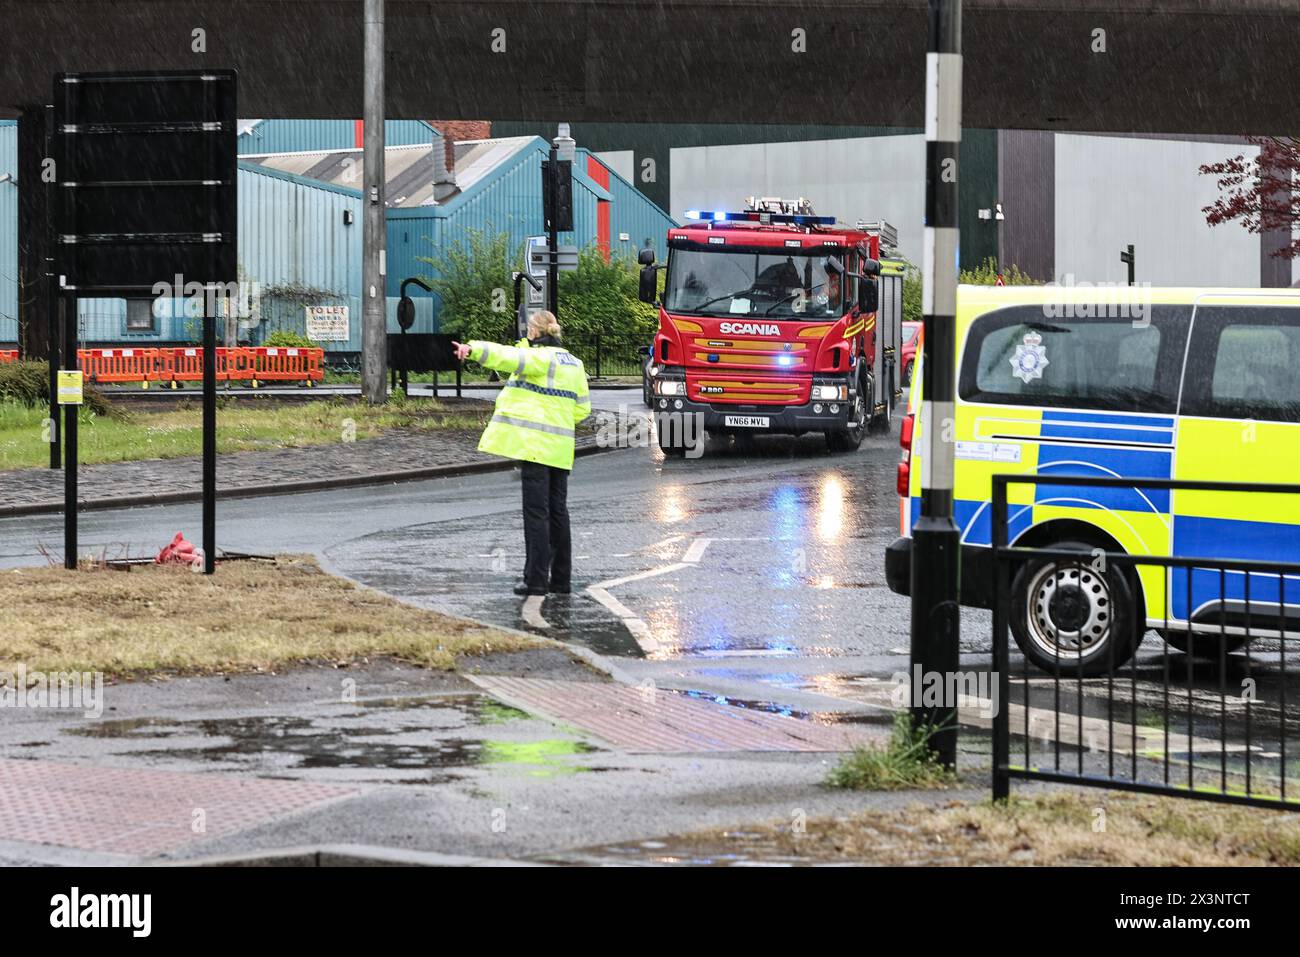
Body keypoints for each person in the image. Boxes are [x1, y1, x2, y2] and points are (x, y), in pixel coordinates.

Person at [453, 311, 591, 597]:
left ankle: (536, 580)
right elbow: (582, 409)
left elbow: (507, 357)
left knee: (536, 515)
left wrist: (473, 349)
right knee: (558, 514)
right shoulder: (575, 364)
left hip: (535, 447)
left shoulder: (540, 359)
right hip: (561, 450)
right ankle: (561, 581)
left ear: (534, 331)